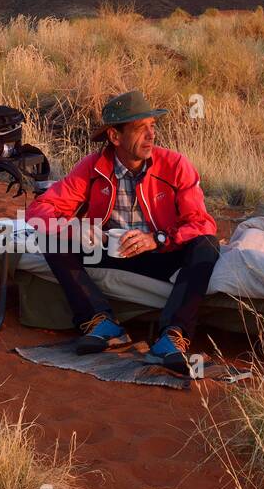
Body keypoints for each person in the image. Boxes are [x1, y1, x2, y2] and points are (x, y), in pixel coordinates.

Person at [26, 90, 220, 376]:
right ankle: (100, 322)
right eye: (141, 129)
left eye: (153, 126)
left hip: (160, 254)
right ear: (115, 137)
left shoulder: (176, 165)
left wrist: (158, 238)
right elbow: (39, 210)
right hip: (109, 250)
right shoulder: (92, 168)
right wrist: (76, 228)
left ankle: (172, 337)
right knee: (48, 234)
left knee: (207, 244)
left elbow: (202, 223)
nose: (151, 136)